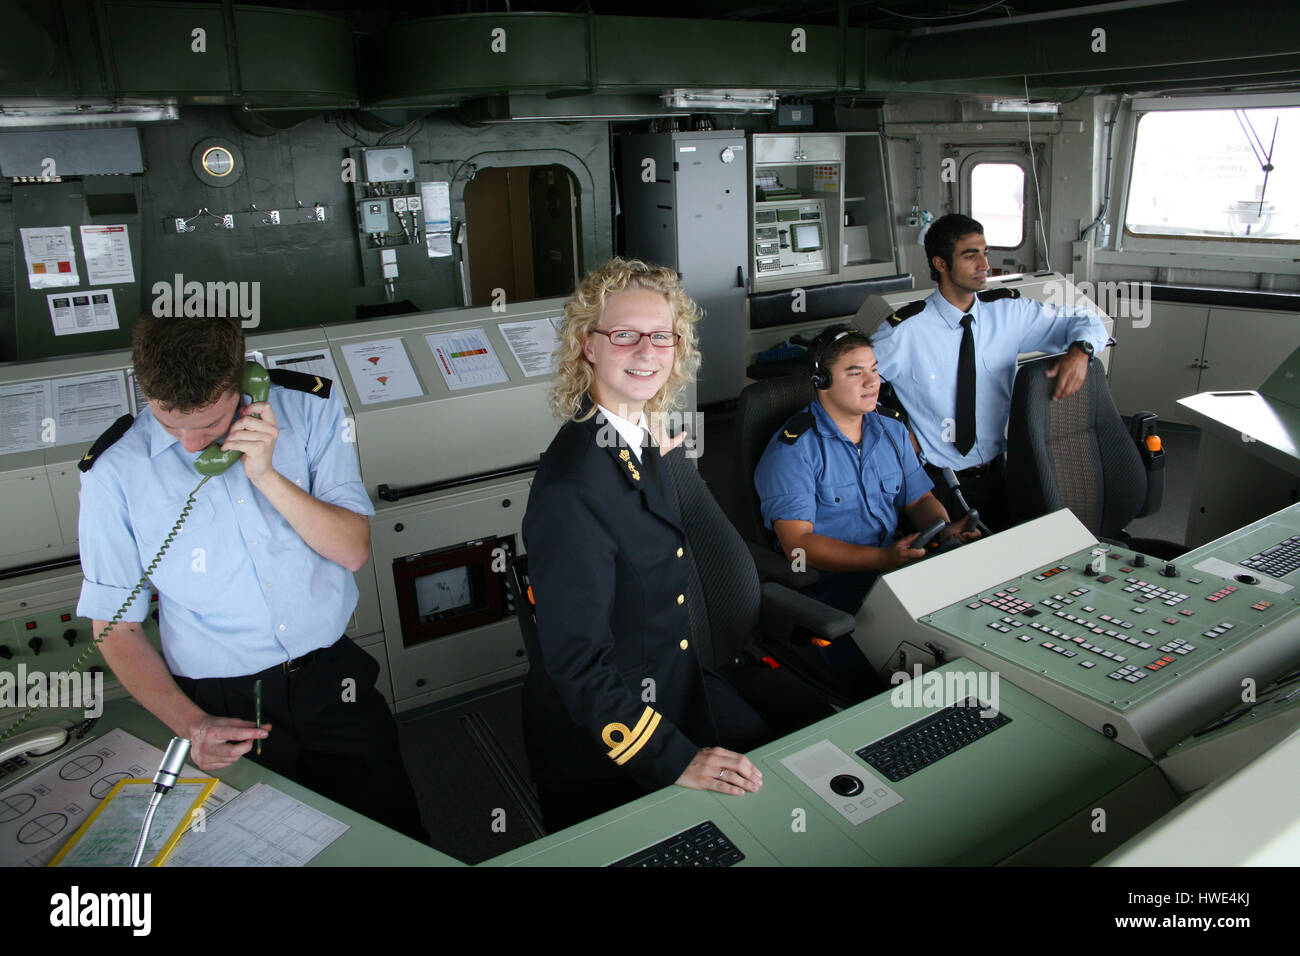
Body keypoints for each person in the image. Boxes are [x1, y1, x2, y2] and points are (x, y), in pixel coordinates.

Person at [76, 315, 426, 842]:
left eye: (211, 425)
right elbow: (116, 626)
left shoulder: (309, 408)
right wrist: (191, 725)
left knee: (392, 832)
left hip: (332, 679)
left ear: (244, 384)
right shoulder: (114, 470)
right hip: (222, 703)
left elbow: (352, 550)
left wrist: (266, 474)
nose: (192, 446)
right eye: (171, 425)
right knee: (263, 845)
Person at [522, 258, 768, 832]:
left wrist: (655, 448)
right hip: (608, 739)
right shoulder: (572, 485)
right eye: (624, 335)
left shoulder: (635, 437)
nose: (647, 352)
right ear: (588, 347)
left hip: (670, 687)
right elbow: (576, 663)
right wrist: (674, 758)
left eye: (662, 336)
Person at [871, 213, 1109, 531]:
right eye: (970, 256)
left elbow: (1086, 320)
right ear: (940, 264)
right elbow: (849, 389)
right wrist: (897, 433)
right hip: (936, 482)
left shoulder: (1008, 313)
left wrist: (1081, 352)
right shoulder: (905, 331)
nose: (984, 265)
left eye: (985, 253)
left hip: (1001, 473)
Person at [754, 325, 976, 619]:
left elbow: (919, 500)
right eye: (856, 373)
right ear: (822, 381)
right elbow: (798, 545)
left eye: (874, 370)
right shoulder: (792, 452)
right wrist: (882, 558)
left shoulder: (892, 430)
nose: (873, 382)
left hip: (894, 567)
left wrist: (943, 529)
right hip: (833, 585)